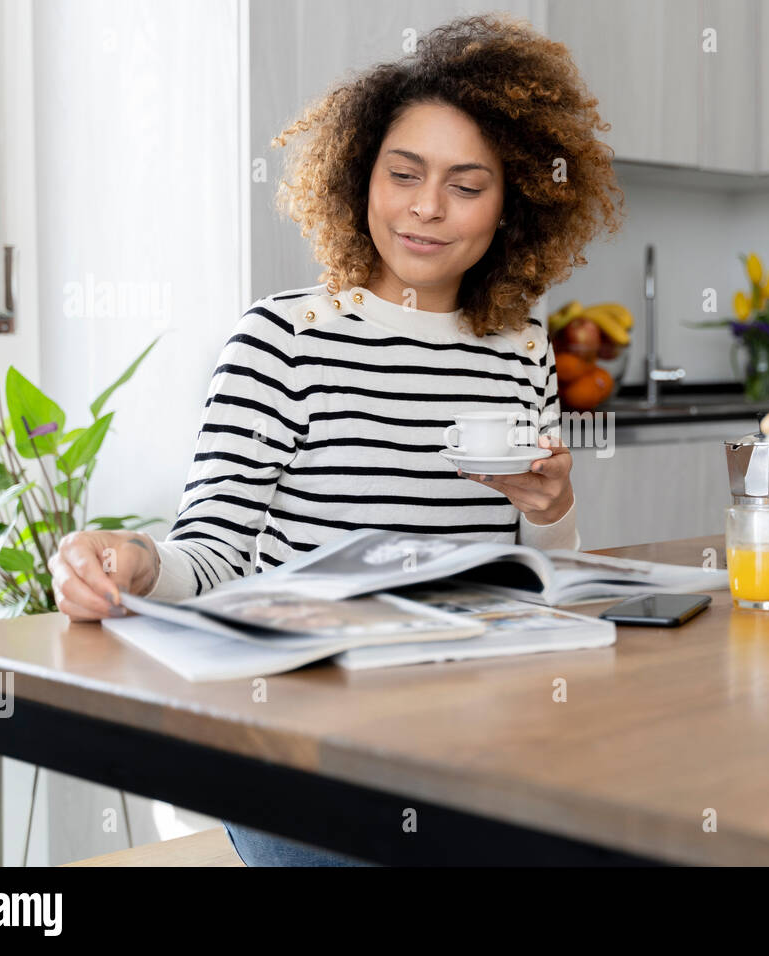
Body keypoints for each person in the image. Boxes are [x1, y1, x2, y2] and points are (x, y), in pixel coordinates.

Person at [48, 13, 625, 865]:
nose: (428, 208)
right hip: (296, 738)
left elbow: (527, 576)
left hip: (467, 728)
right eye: (404, 174)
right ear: (362, 177)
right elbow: (214, 551)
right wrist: (137, 560)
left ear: (512, 207)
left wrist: (554, 509)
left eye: (468, 186)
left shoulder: (520, 350)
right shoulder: (283, 339)